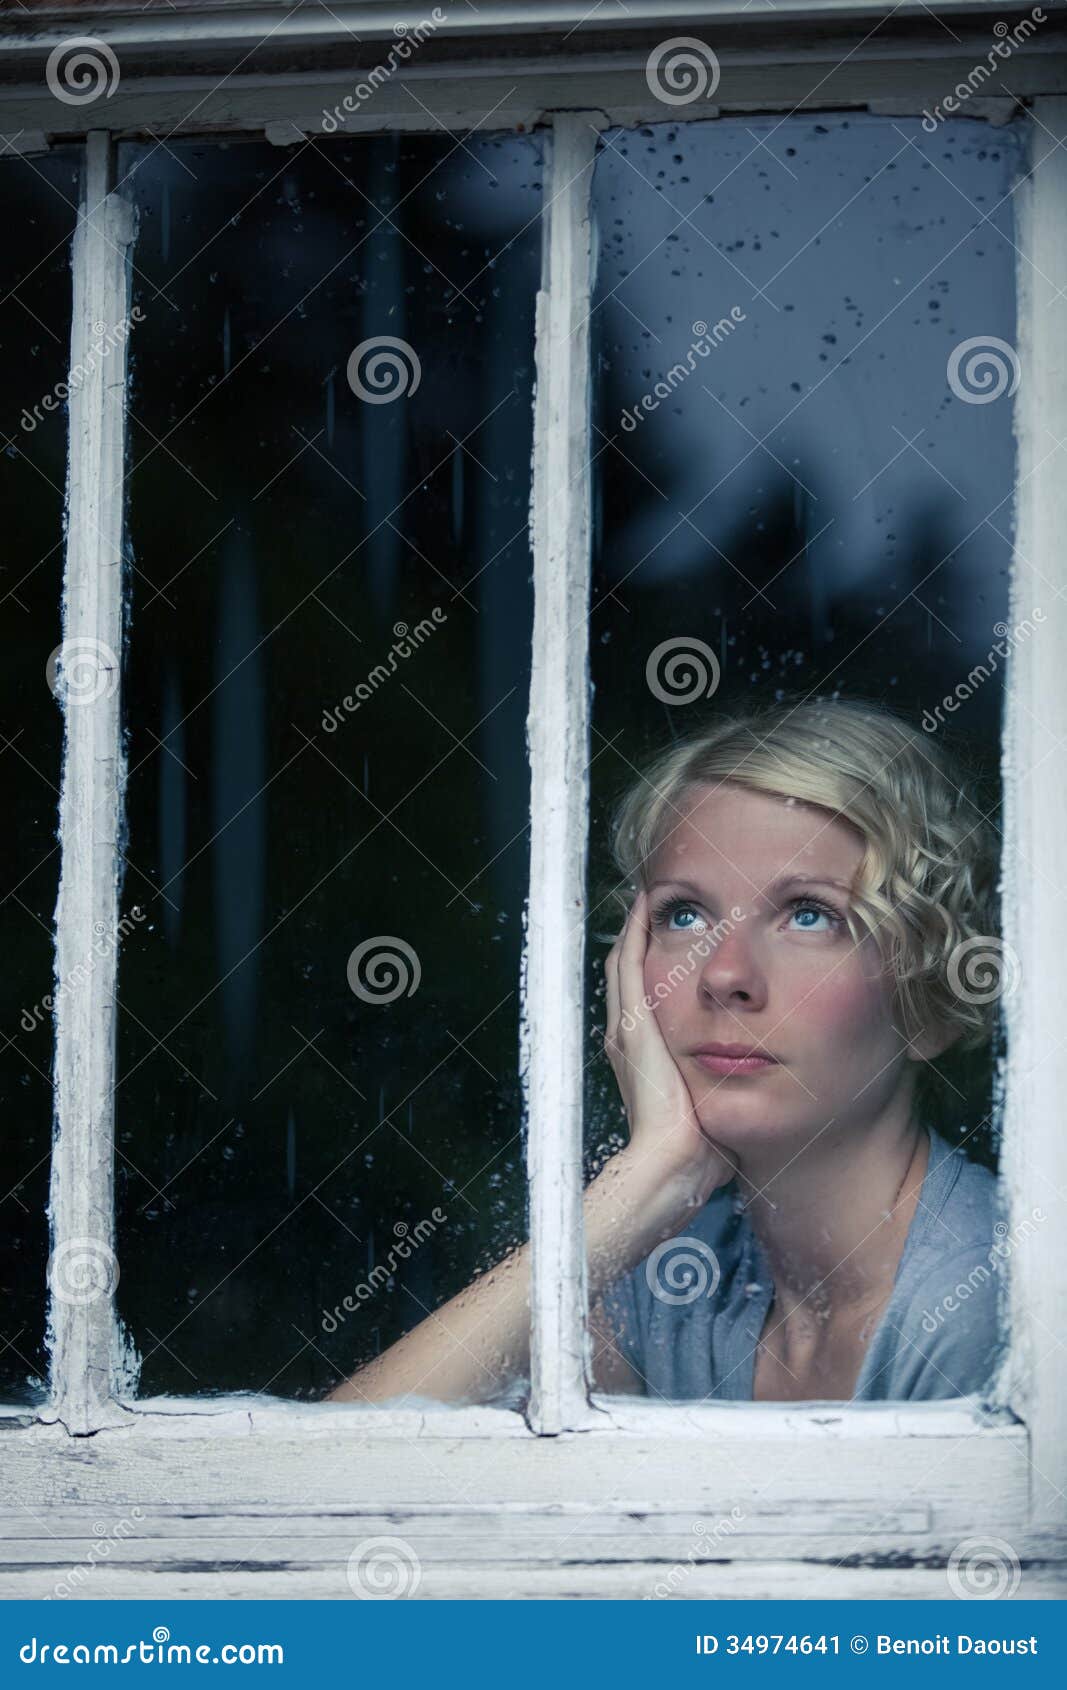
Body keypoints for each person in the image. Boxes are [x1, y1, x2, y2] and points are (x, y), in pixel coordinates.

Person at [324, 697, 1002, 1408]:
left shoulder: (991, 1306)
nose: (722, 975)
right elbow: (323, 1488)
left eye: (810, 915)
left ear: (929, 1002)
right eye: (684, 915)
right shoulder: (679, 1277)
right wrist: (646, 1181)